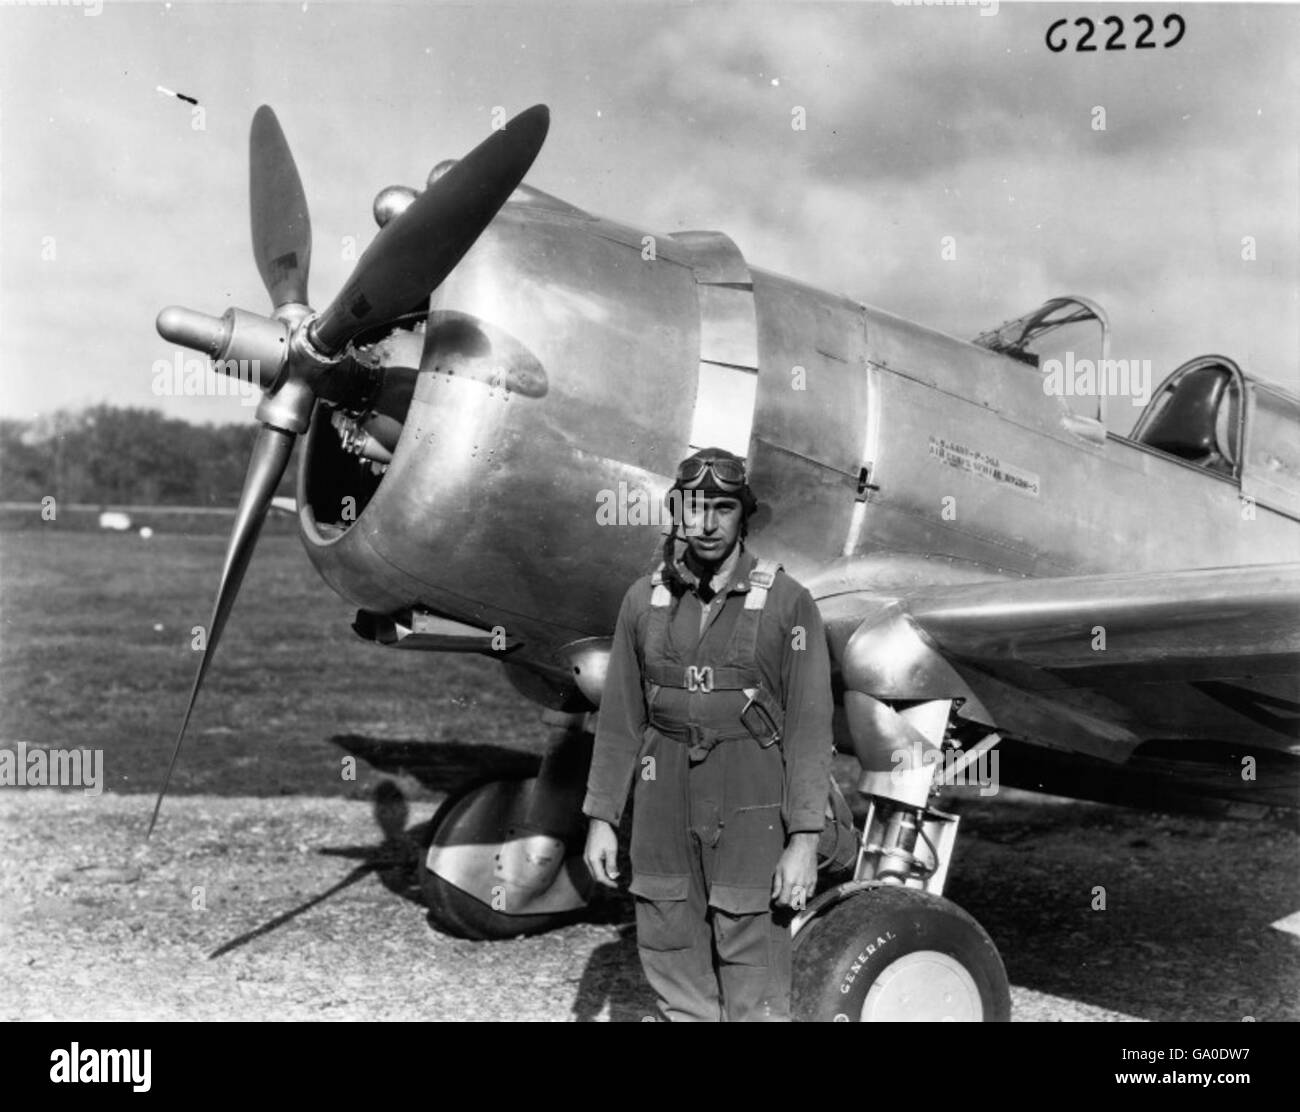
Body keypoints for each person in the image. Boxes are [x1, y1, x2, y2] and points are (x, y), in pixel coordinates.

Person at [582, 447, 835, 1021]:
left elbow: (809, 731)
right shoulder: (642, 602)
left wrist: (803, 841)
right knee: (671, 948)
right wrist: (601, 818)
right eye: (698, 507)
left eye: (725, 508)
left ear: (743, 515)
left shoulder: (788, 604)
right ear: (680, 512)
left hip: (752, 794)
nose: (710, 523)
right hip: (663, 792)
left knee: (753, 965)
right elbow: (620, 718)